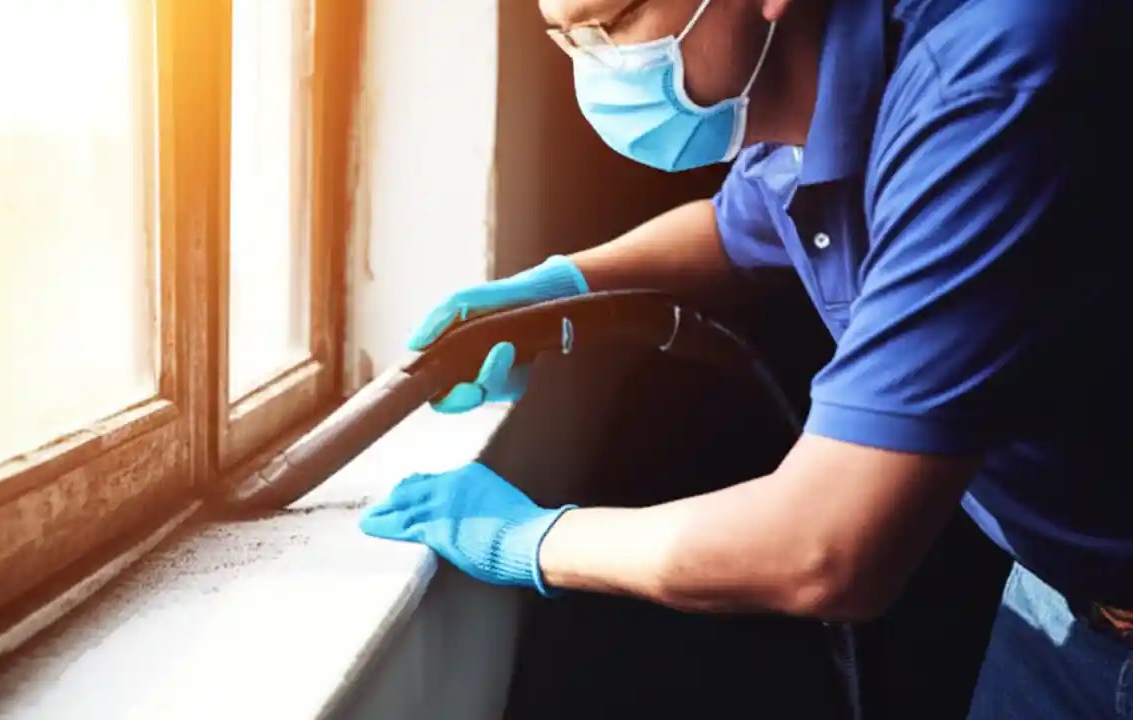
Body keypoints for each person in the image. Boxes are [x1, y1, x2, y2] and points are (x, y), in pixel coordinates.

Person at [358, 0, 1133, 716]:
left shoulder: (990, 87)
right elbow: (737, 227)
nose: (596, 70)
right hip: (1064, 599)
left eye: (615, 21)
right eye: (567, 38)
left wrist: (531, 541)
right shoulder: (819, 90)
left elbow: (826, 548)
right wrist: (563, 288)